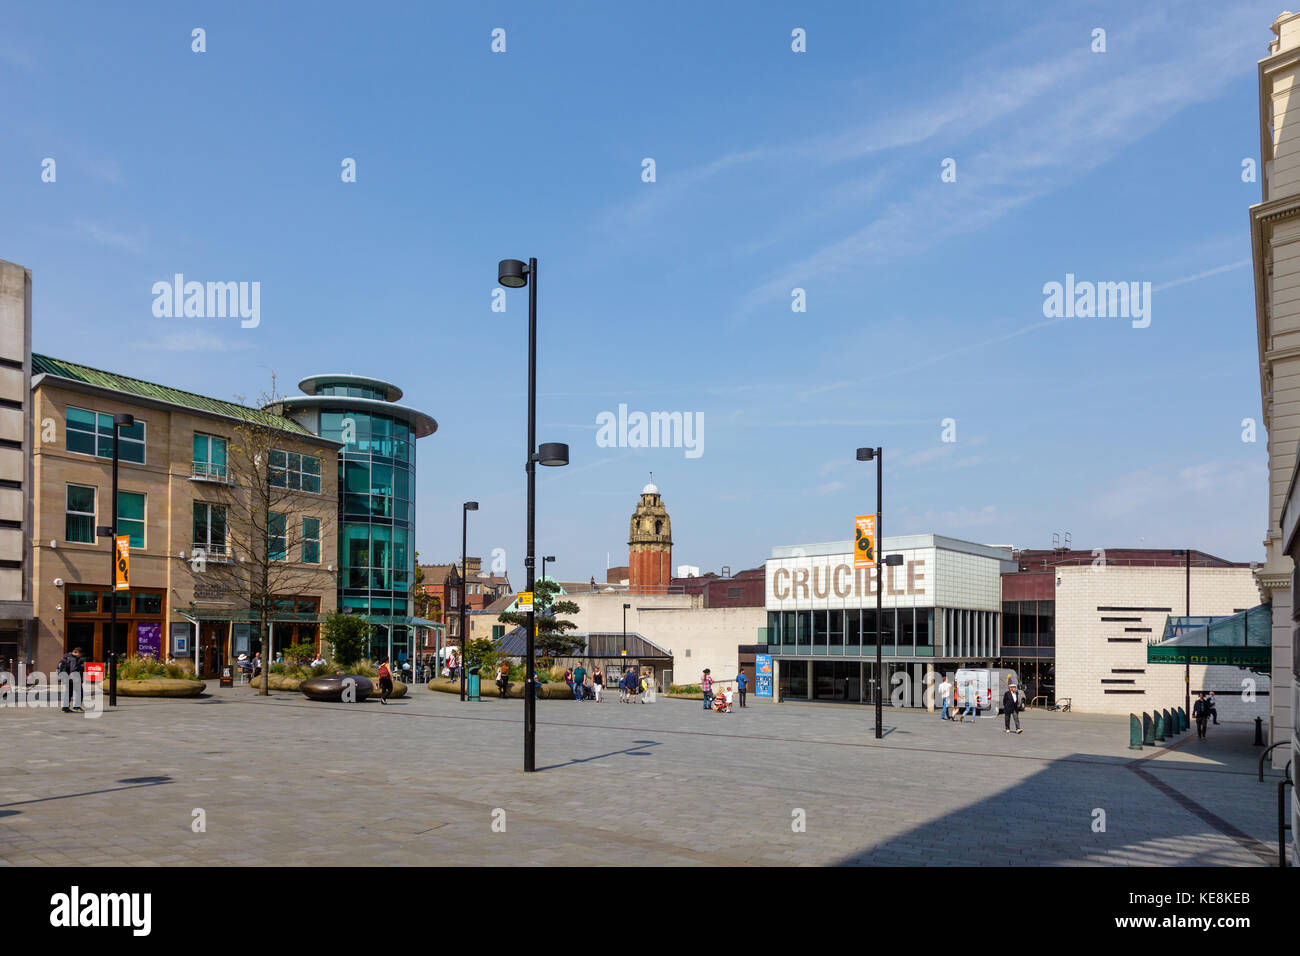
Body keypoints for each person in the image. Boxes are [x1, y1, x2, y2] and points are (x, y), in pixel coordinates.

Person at [57, 646, 84, 713]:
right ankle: (77, 707)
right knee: (79, 692)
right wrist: (81, 666)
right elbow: (73, 669)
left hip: (65, 677)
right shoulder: (73, 659)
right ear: (77, 652)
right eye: (81, 654)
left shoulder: (66, 657)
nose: (81, 656)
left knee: (67, 693)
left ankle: (65, 708)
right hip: (72, 678)